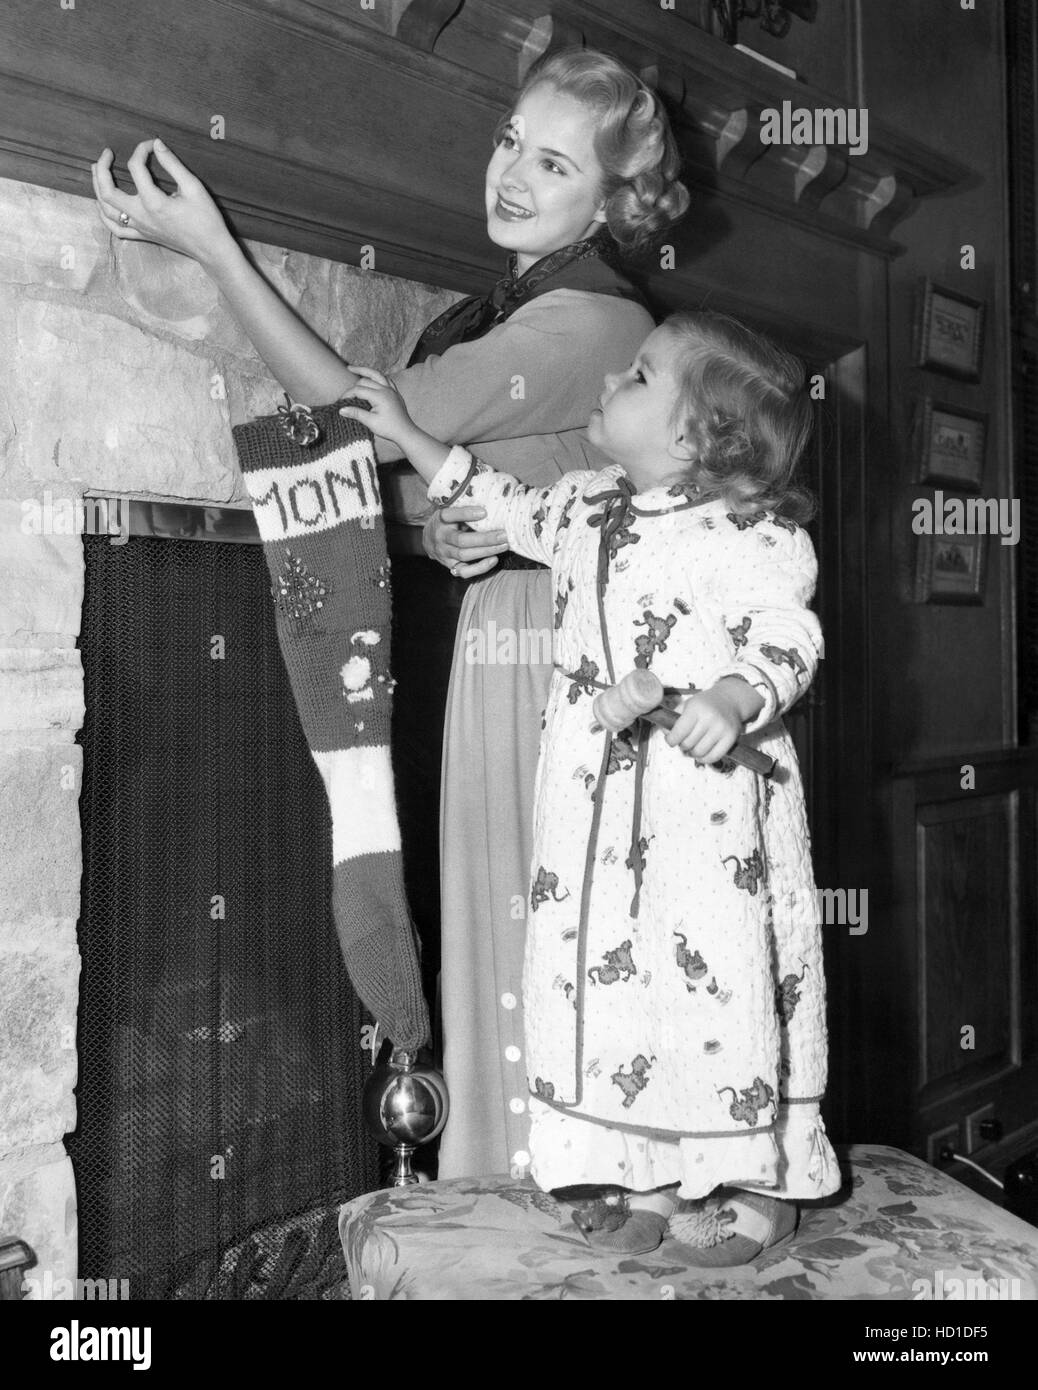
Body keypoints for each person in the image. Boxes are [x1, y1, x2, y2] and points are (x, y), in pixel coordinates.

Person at [90, 48, 690, 1179]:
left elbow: (350, 422)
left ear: (609, 203)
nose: (510, 171)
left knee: (529, 943)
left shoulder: (585, 325)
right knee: (507, 939)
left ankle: (536, 1209)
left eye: (552, 162)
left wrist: (215, 247)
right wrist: (447, 530)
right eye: (512, 137)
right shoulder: (538, 309)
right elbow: (434, 495)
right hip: (500, 644)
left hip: (546, 672)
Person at [337, 307, 843, 1262]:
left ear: (697, 437)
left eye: (641, 377)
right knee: (618, 992)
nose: (613, 382)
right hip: (597, 824)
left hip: (708, 826)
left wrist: (735, 697)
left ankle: (753, 1185)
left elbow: (791, 635)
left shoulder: (751, 533)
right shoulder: (586, 504)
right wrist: (406, 430)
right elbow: (495, 498)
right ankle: (645, 1174)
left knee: (711, 992)